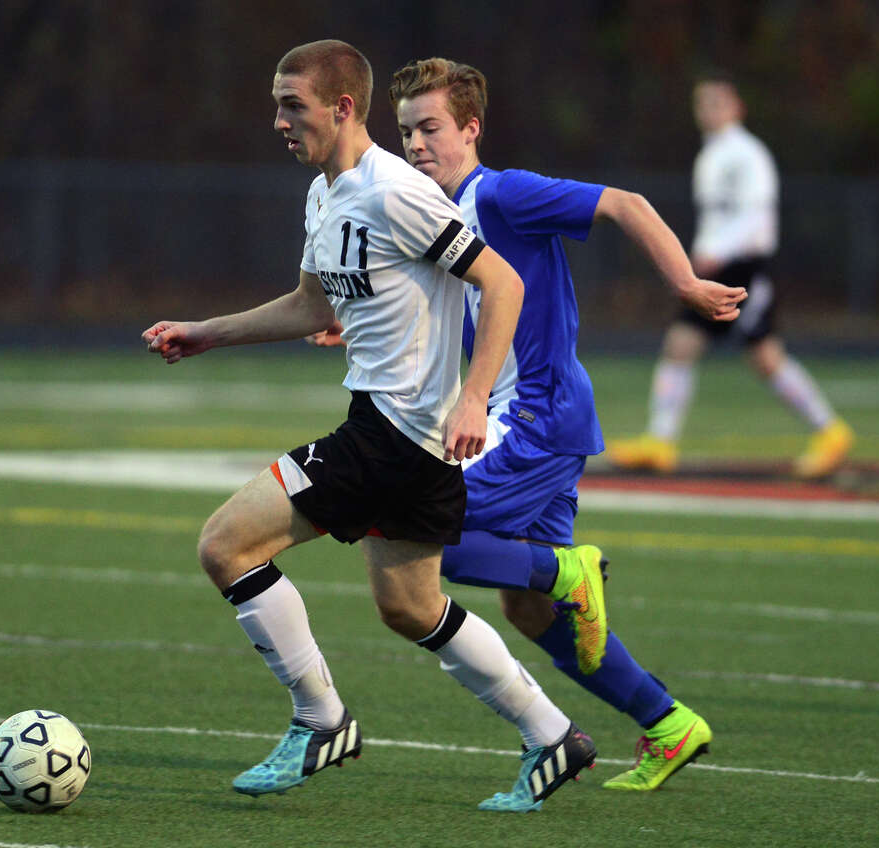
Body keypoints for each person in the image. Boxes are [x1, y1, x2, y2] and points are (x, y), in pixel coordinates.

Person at [143, 39, 606, 813]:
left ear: (343, 107)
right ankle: (553, 735)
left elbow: (504, 281)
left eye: (293, 105)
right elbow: (312, 306)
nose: (279, 121)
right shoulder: (325, 195)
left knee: (225, 545)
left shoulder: (395, 190)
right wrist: (205, 331)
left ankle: (320, 720)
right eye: (277, 104)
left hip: (393, 434)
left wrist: (473, 397)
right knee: (412, 608)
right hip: (401, 439)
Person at [347, 56, 750, 794]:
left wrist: (686, 282)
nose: (416, 144)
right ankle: (667, 723)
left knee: (417, 532)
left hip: (535, 416)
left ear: (471, 129)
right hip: (536, 421)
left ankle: (572, 570)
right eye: (406, 130)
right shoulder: (432, 217)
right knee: (532, 610)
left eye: (432, 127)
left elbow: (626, 203)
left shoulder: (500, 194)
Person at [607, 69, 854, 478]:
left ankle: (831, 432)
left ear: (737, 106)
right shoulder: (713, 153)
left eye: (717, 102)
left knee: (764, 356)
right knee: (681, 345)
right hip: (719, 266)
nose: (709, 110)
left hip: (744, 268)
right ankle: (660, 442)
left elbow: (755, 216)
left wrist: (712, 253)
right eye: (703, 102)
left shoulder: (746, 153)